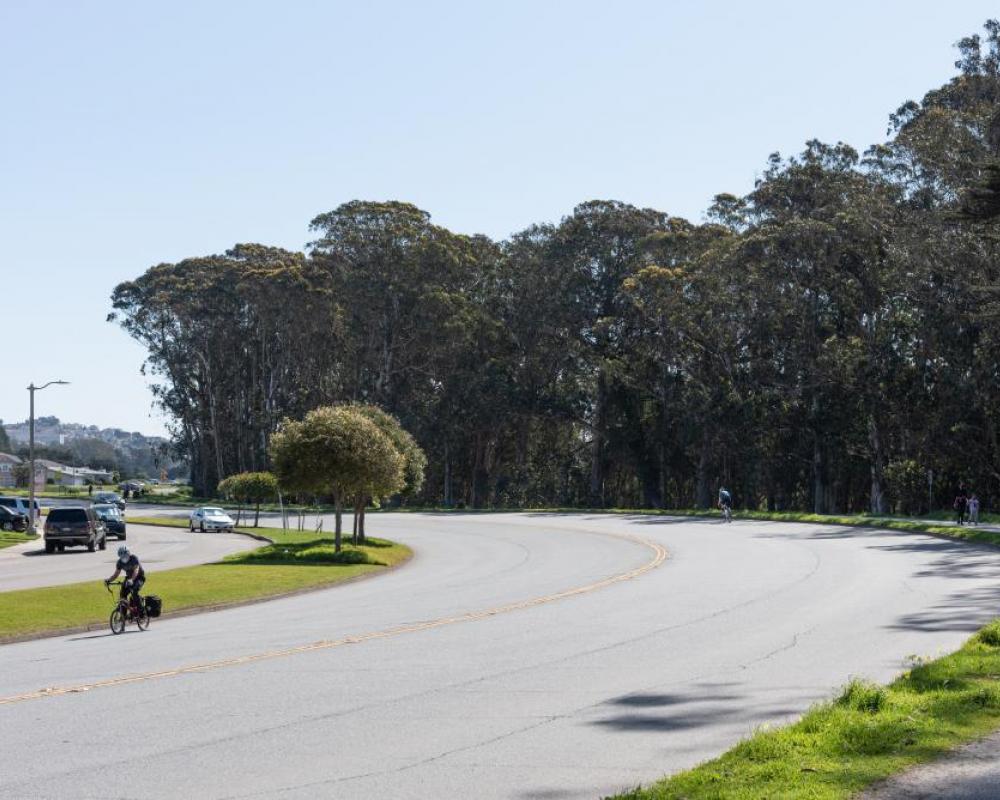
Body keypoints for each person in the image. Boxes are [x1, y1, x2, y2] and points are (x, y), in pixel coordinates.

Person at [105, 545, 145, 613]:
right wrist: (108, 580)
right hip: (129, 578)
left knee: (134, 592)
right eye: (121, 556)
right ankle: (123, 614)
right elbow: (116, 574)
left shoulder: (134, 558)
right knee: (122, 595)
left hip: (139, 578)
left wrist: (132, 580)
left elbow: (136, 570)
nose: (123, 558)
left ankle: (141, 611)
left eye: (125, 555)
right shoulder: (119, 562)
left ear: (128, 553)